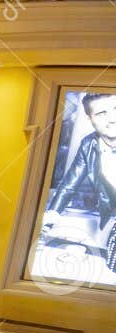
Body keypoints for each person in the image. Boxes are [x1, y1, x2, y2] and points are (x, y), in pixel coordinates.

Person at [43, 90, 116, 249]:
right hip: (110, 224)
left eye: (115, 109)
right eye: (101, 113)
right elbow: (69, 186)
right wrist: (49, 219)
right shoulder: (88, 144)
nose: (112, 119)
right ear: (90, 119)